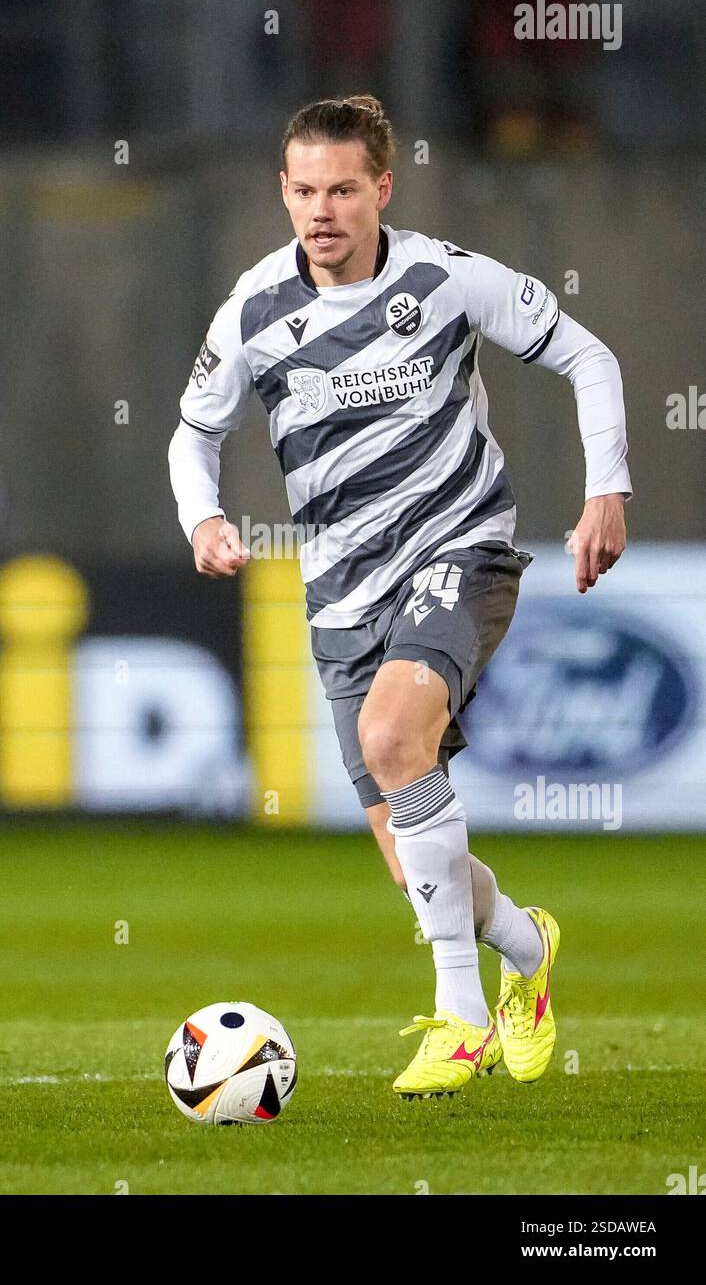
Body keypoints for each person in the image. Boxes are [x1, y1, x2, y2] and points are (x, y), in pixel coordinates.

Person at [168, 95, 631, 1099]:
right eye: (303, 190)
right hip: (340, 593)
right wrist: (201, 517)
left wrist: (607, 488)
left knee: (390, 740)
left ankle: (459, 1017)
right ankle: (523, 944)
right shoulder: (254, 307)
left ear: (381, 187)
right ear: (281, 190)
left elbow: (585, 356)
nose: (321, 211)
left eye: (342, 189)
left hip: (459, 550)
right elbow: (191, 432)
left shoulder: (445, 277)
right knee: (414, 866)